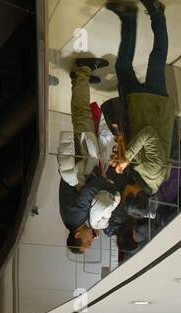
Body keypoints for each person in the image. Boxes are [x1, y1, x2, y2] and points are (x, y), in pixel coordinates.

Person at [106, 0, 173, 195]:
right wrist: (126, 157)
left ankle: (128, 17)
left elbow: (134, 142)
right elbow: (148, 134)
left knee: (122, 67)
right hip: (154, 106)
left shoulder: (141, 177)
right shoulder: (154, 173)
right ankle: (157, 14)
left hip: (137, 109)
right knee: (157, 58)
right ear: (136, 195)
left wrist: (120, 153)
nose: (122, 193)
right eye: (126, 196)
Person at [60, 58, 120, 255]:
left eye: (87, 243)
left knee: (82, 115)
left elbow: (89, 190)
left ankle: (83, 69)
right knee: (80, 116)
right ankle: (77, 80)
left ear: (78, 236)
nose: (90, 240)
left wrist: (107, 184)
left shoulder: (76, 216)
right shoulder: (71, 219)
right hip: (81, 159)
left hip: (82, 155)